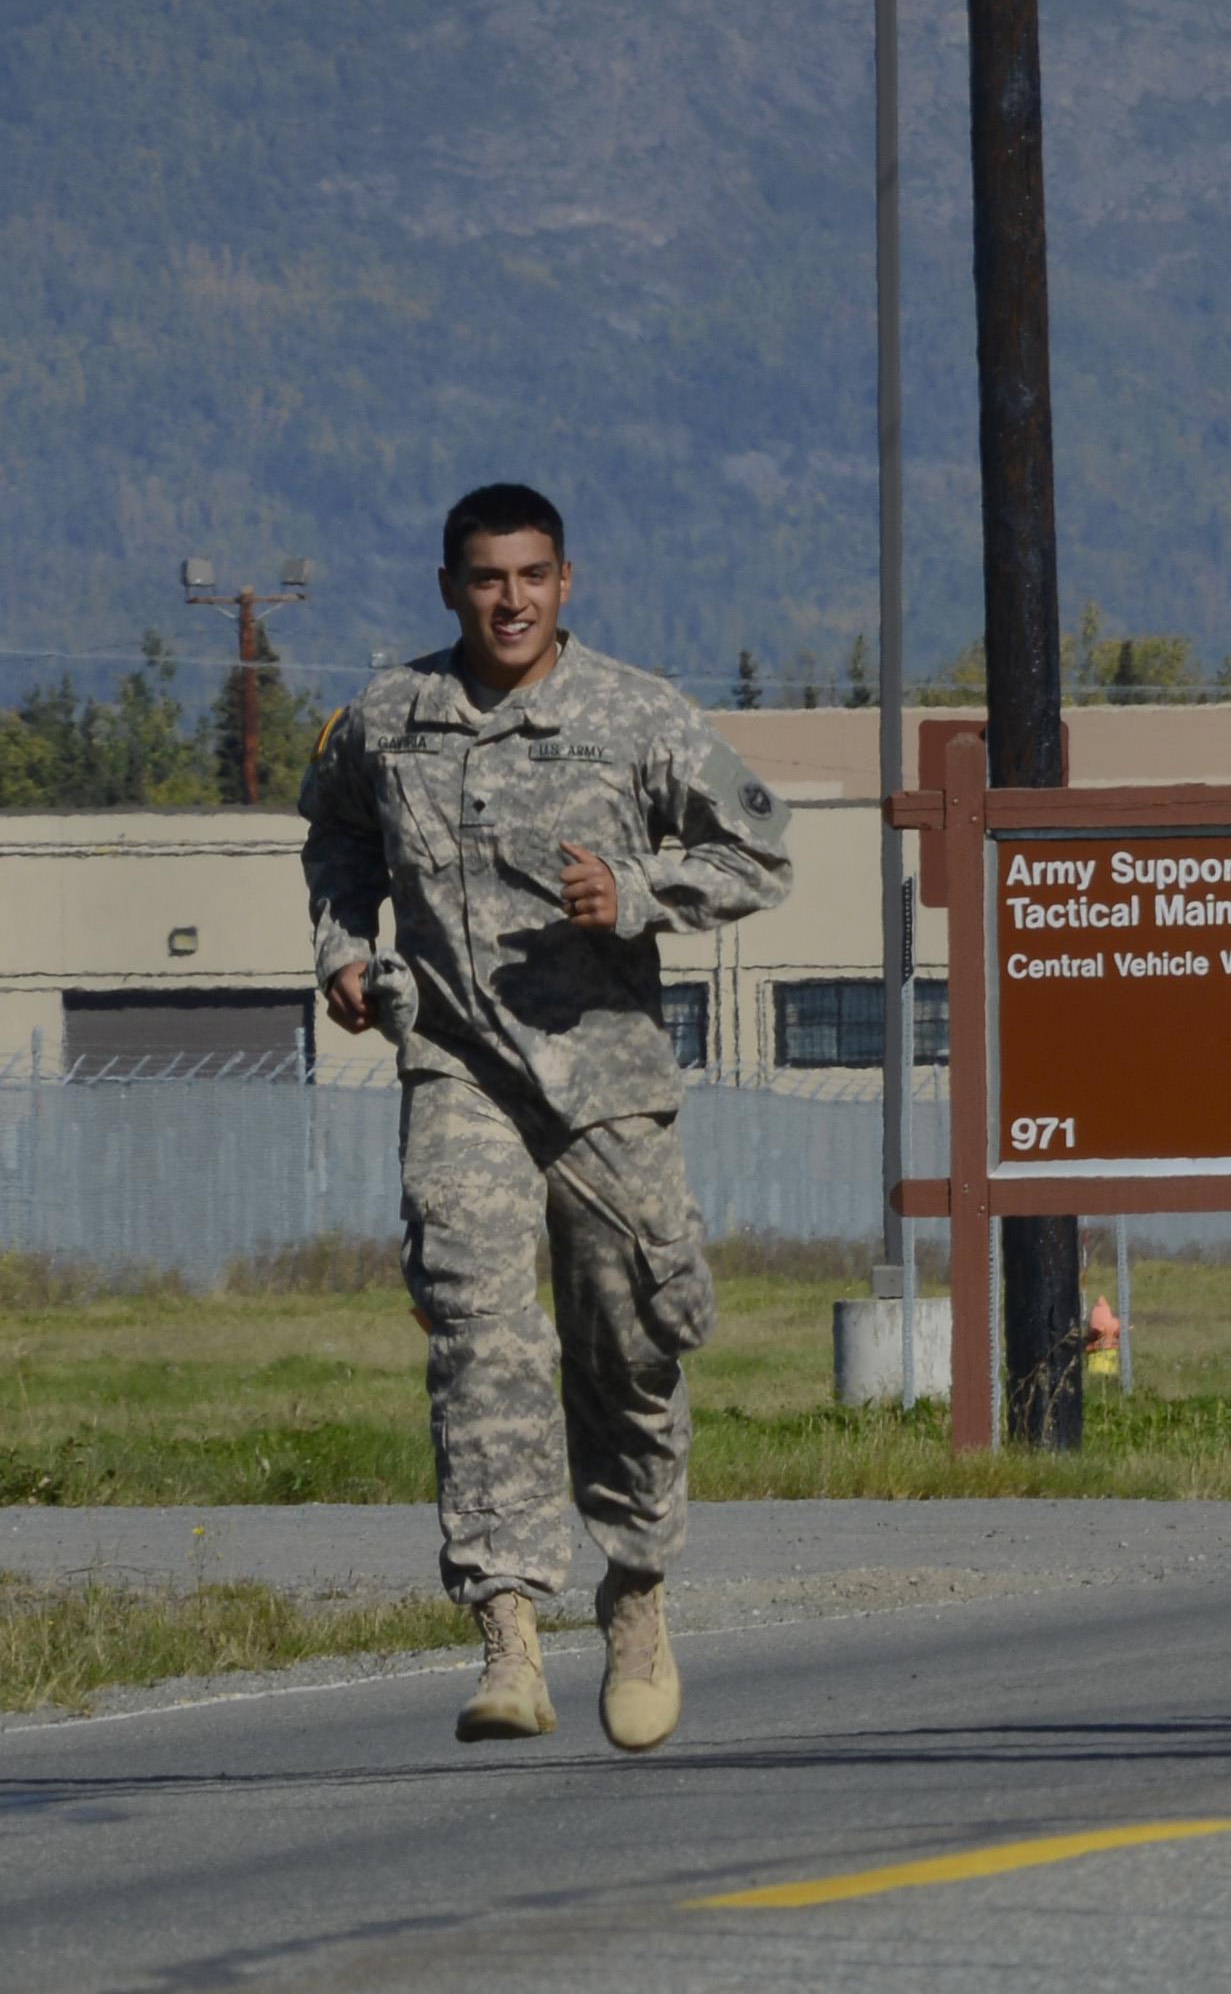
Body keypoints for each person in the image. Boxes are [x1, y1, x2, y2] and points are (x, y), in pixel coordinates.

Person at [299, 482, 793, 1752]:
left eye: (530, 576)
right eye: (483, 578)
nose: (507, 600)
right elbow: (336, 838)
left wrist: (634, 889)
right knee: (480, 1333)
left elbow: (760, 855)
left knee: (628, 1343)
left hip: (604, 1078)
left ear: (565, 582)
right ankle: (509, 1629)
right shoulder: (389, 720)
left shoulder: (636, 715)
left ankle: (634, 1590)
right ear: (448, 586)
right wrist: (346, 951)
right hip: (459, 1068)